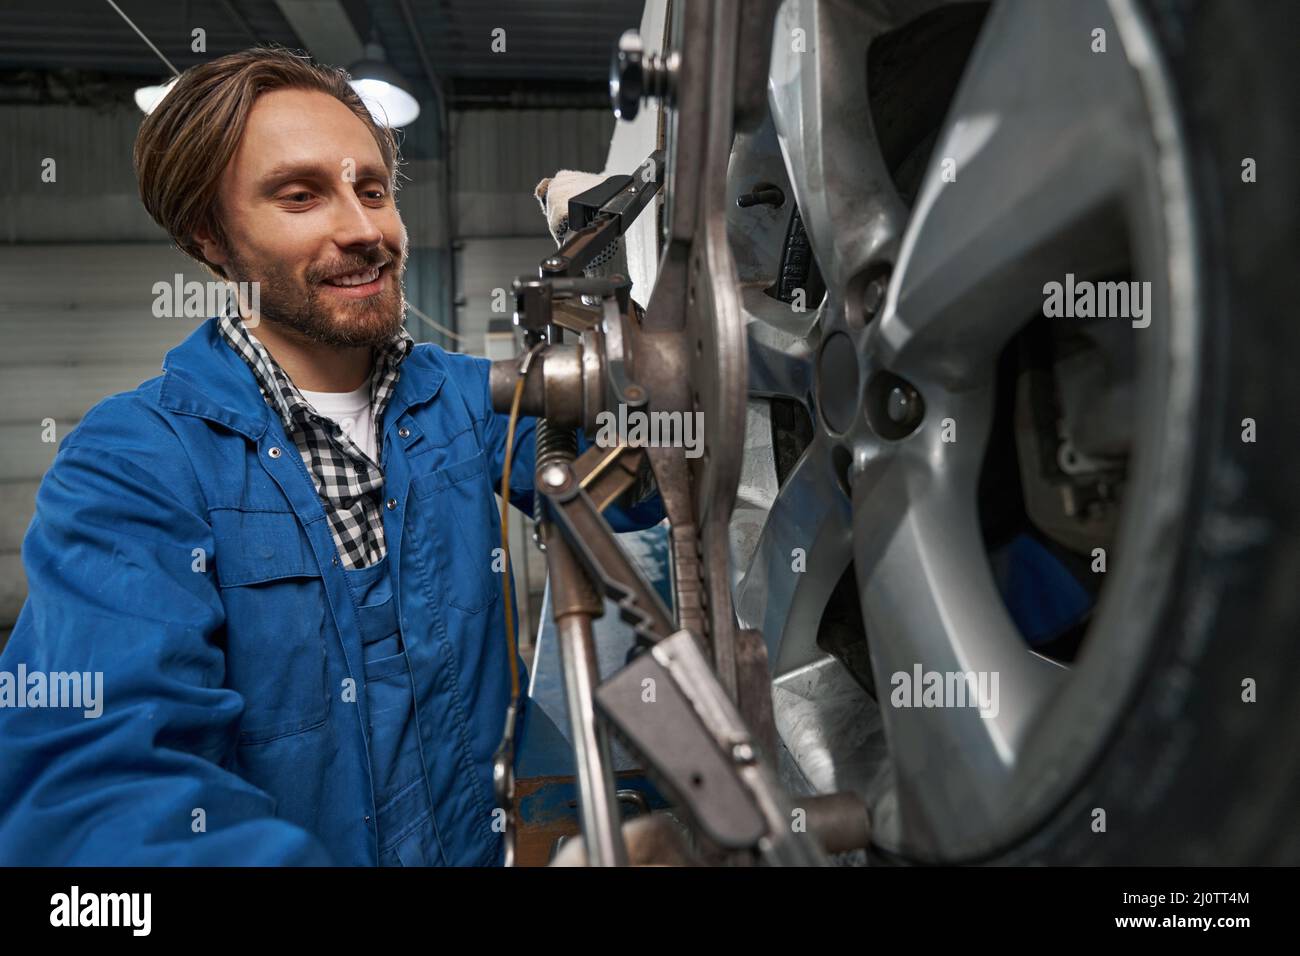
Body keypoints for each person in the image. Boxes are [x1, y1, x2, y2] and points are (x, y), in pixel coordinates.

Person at [0, 47, 661, 866]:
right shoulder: (134, 465)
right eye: (301, 195)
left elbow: (646, 492)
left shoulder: (467, 400)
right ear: (212, 236)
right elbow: (95, 798)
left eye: (372, 190)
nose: (363, 229)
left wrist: (629, 306)